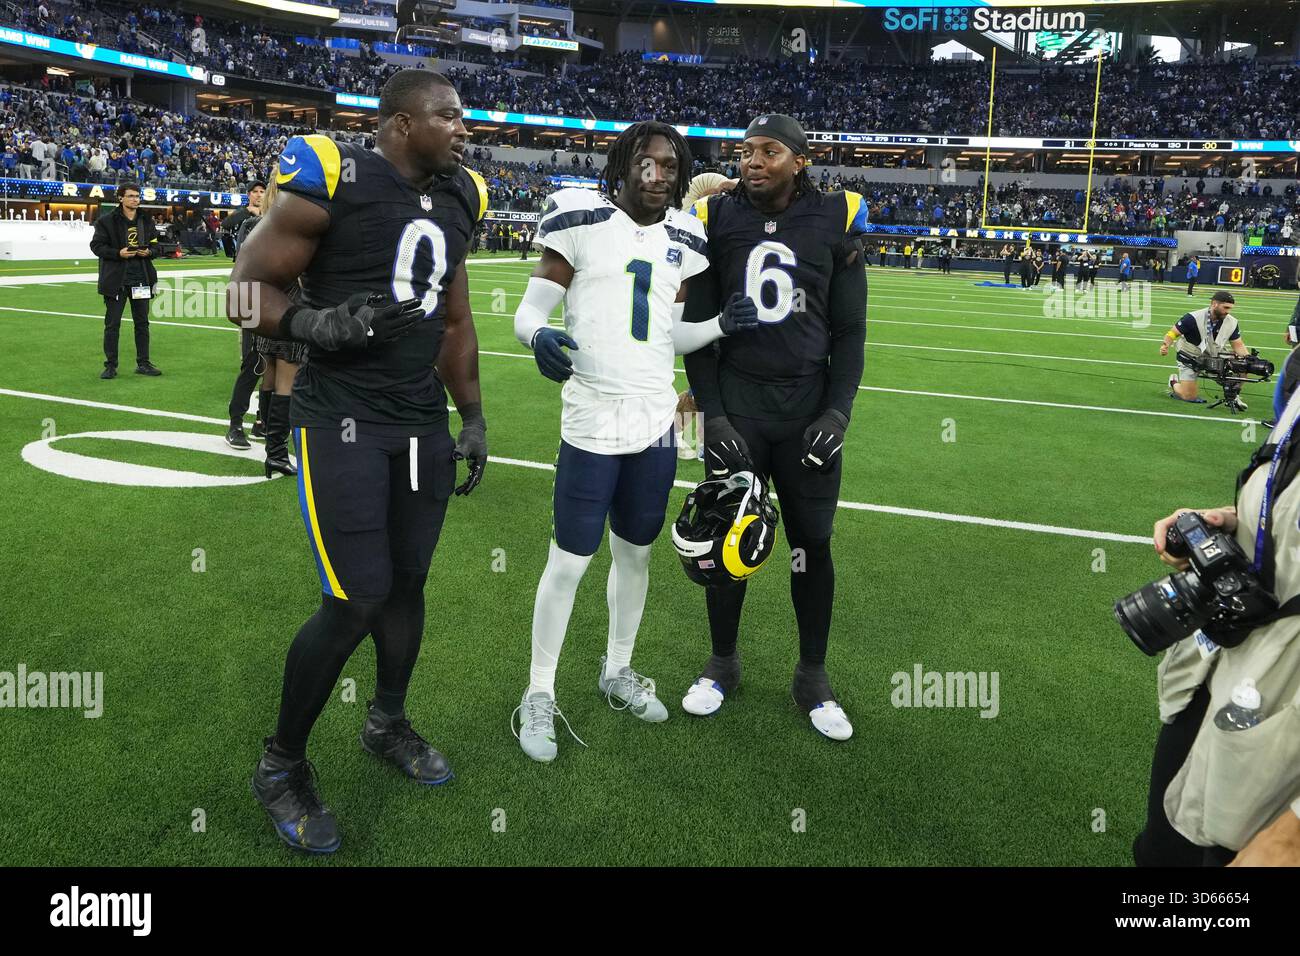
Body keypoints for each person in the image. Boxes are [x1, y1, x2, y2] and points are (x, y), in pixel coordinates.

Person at [228, 69, 489, 854]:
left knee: (408, 582)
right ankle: (280, 766)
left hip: (418, 419)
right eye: (449, 116)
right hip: (340, 419)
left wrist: (472, 415)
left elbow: (455, 318)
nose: (464, 128)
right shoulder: (332, 176)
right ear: (402, 124)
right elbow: (244, 293)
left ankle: (386, 722)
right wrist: (316, 323)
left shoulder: (460, 197)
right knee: (356, 595)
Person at [509, 126, 755, 763]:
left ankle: (617, 670)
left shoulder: (682, 239)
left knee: (636, 557)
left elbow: (668, 334)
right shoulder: (581, 217)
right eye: (645, 161)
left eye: (670, 165)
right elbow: (528, 313)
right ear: (621, 165)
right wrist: (535, 336)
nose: (658, 173)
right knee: (569, 561)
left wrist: (723, 324)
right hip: (593, 420)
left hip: (653, 424)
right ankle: (539, 692)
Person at [681, 113, 868, 740]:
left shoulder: (836, 216)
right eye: (745, 151)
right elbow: (699, 333)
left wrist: (838, 411)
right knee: (721, 538)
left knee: (810, 542)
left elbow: (849, 331)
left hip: (807, 409)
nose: (752, 161)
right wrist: (714, 414)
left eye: (768, 151)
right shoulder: (717, 218)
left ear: (800, 160)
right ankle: (722, 662)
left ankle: (812, 674)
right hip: (739, 405)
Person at [1134, 393, 1300, 866]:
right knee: (1163, 854)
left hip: (1283, 702)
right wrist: (1226, 527)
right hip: (1221, 669)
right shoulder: (1298, 376)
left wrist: (1294, 832)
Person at [236, 176, 306, 477]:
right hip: (289, 306)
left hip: (264, 307)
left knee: (269, 375)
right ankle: (276, 452)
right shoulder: (292, 226)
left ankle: (267, 435)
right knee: (286, 379)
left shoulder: (258, 224)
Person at [89, 184, 161, 379]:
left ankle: (143, 363)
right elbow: (96, 246)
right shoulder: (106, 221)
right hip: (116, 281)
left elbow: (157, 245)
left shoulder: (146, 220)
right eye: (130, 196)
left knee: (142, 323)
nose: (135, 199)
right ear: (120, 198)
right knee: (112, 324)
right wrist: (117, 253)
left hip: (141, 279)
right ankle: (110, 365)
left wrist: (150, 252)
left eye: (137, 196)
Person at [223, 181, 268, 450]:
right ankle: (235, 423)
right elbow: (243, 264)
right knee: (254, 363)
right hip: (254, 299)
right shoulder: (249, 224)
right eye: (258, 192)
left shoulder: (292, 225)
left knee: (278, 366)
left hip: (282, 301)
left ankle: (264, 421)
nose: (262, 196)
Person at [1160, 290, 1249, 409]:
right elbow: (1172, 333)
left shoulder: (1232, 322)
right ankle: (1173, 382)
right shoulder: (1192, 317)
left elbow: (1238, 345)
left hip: (1214, 354)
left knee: (1243, 366)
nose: (1228, 311)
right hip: (1190, 355)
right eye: (1226, 307)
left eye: (1230, 308)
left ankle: (1234, 396)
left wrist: (1247, 359)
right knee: (1189, 396)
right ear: (1214, 304)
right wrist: (1165, 345)